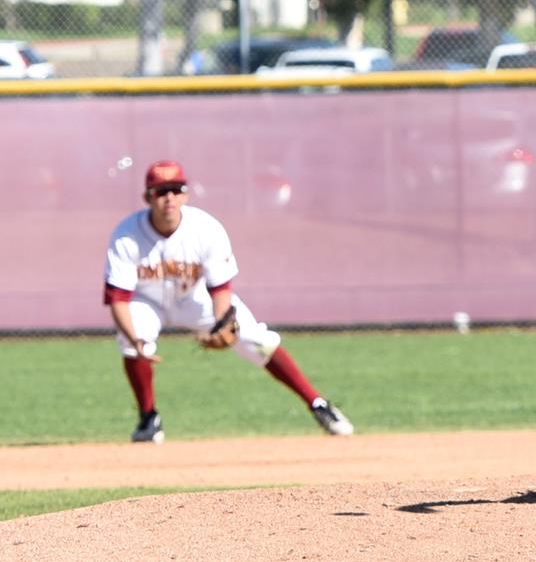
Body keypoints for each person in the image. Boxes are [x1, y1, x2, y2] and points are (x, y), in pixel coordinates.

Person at [103, 159, 354, 443]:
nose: (169, 197)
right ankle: (149, 419)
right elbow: (119, 299)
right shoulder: (127, 235)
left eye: (175, 188)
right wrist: (135, 340)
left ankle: (317, 403)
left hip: (194, 297)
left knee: (257, 340)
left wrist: (221, 324)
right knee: (133, 337)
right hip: (148, 300)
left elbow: (221, 288)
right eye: (160, 191)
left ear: (185, 193)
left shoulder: (205, 228)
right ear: (147, 197)